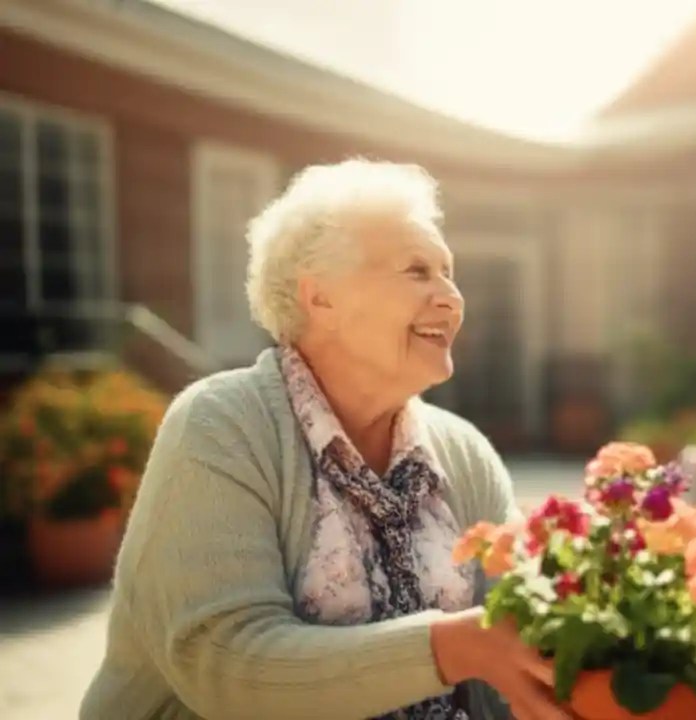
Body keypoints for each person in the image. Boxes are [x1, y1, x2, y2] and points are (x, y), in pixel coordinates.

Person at [81, 160, 571, 720]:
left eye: (448, 272)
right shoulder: (221, 425)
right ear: (320, 298)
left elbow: (518, 643)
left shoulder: (463, 451)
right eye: (417, 271)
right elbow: (226, 664)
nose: (451, 298)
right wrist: (450, 646)